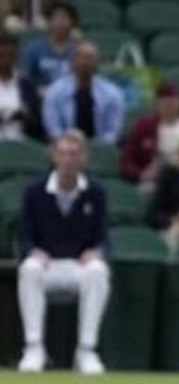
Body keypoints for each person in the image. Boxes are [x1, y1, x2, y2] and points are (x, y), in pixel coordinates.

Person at [16, 131, 109, 375]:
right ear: (54, 157)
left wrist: (96, 252)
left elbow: (103, 236)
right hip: (46, 266)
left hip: (79, 267)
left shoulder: (96, 193)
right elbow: (24, 234)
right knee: (29, 268)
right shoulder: (34, 192)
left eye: (74, 154)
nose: (68, 160)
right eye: (64, 154)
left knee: (99, 270)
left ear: (83, 159)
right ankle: (34, 347)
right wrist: (33, 251)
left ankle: (87, 350)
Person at [41, 43, 125, 145]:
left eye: (89, 58)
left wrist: (97, 146)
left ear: (97, 62)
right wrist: (69, 145)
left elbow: (113, 131)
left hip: (100, 148)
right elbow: (53, 129)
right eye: (79, 57)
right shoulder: (55, 91)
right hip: (64, 149)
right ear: (72, 61)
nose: (83, 62)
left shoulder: (112, 93)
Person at [120, 82, 179, 191]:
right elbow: (127, 161)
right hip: (153, 182)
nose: (170, 105)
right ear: (158, 102)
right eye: (166, 101)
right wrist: (140, 174)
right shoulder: (145, 126)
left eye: (174, 101)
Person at [20, 2, 78, 96]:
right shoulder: (33, 49)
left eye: (64, 18)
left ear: (72, 22)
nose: (60, 22)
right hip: (39, 98)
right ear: (49, 22)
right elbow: (25, 79)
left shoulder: (78, 51)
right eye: (56, 18)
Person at [0, 33, 37, 140]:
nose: (5, 59)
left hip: (21, 145)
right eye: (1, 55)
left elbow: (36, 124)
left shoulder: (27, 86)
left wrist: (26, 115)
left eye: (9, 54)